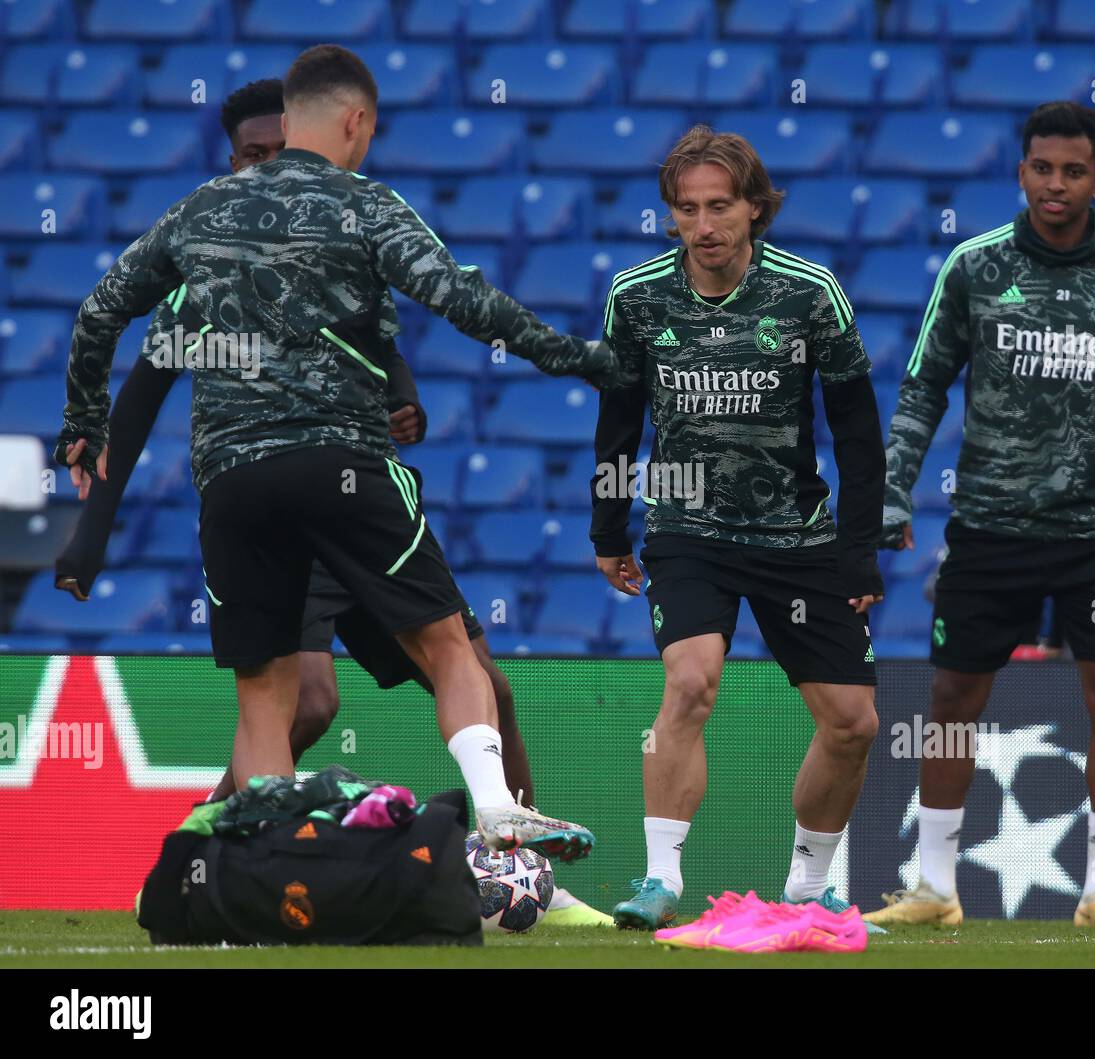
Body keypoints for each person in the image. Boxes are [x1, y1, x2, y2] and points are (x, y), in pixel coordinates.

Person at [53, 78, 608, 922]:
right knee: (420, 661)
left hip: (238, 482)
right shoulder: (356, 205)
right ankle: (487, 807)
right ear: (353, 122)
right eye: (254, 153)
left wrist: (79, 419)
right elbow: (459, 298)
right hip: (344, 471)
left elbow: (99, 312)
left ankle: (276, 879)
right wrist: (578, 358)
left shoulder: (201, 216)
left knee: (277, 695)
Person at [863, 101, 1095, 930]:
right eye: (1042, 168)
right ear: (1020, 172)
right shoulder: (974, 268)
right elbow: (920, 388)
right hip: (989, 522)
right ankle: (935, 887)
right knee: (951, 696)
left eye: (1073, 170)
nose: (1056, 184)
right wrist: (892, 490)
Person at [591, 125, 886, 929]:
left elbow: (858, 429)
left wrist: (858, 550)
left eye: (720, 206)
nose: (704, 226)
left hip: (797, 535)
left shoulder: (809, 294)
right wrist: (606, 530)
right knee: (689, 683)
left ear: (756, 207)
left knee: (853, 723)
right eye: (686, 210)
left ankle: (808, 886)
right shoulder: (636, 297)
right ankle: (659, 880)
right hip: (687, 524)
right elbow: (618, 418)